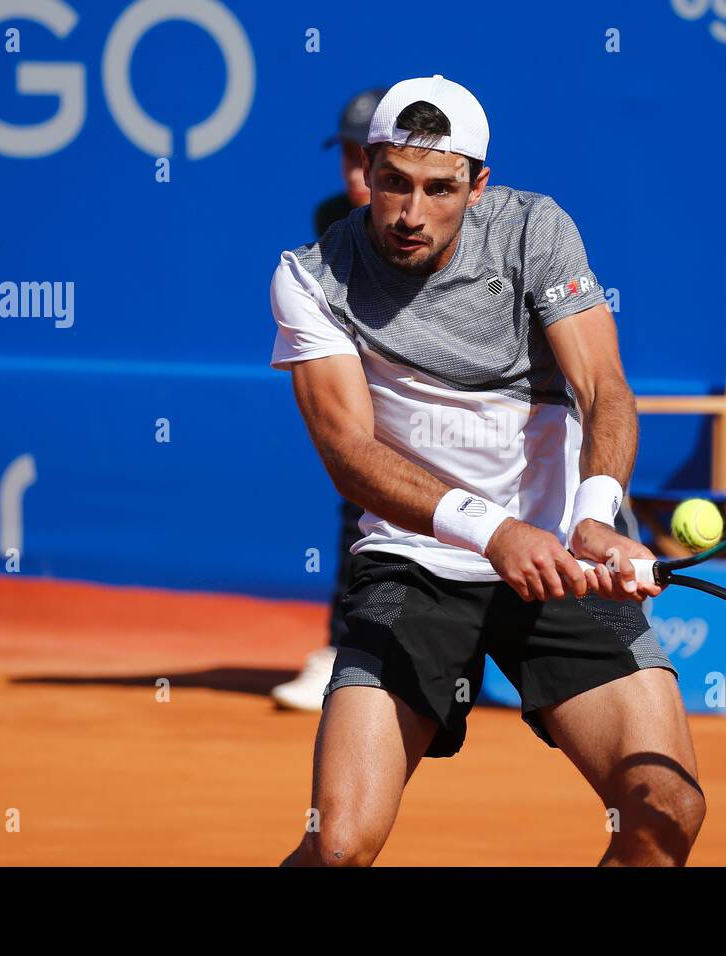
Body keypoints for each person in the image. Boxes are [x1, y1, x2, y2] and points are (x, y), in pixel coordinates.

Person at [268, 75, 705, 866]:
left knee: (665, 812)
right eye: (392, 182)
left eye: (440, 188)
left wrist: (596, 515)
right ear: (367, 168)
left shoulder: (536, 231)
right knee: (338, 844)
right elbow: (349, 454)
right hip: (417, 563)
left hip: (563, 560)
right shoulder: (311, 276)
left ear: (478, 186)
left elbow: (604, 387)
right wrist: (494, 530)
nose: (409, 212)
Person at [270, 87, 386, 712]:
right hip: (379, 398)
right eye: (345, 157)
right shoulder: (331, 222)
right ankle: (348, 652)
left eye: (364, 158)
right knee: (361, 499)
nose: (351, 175)